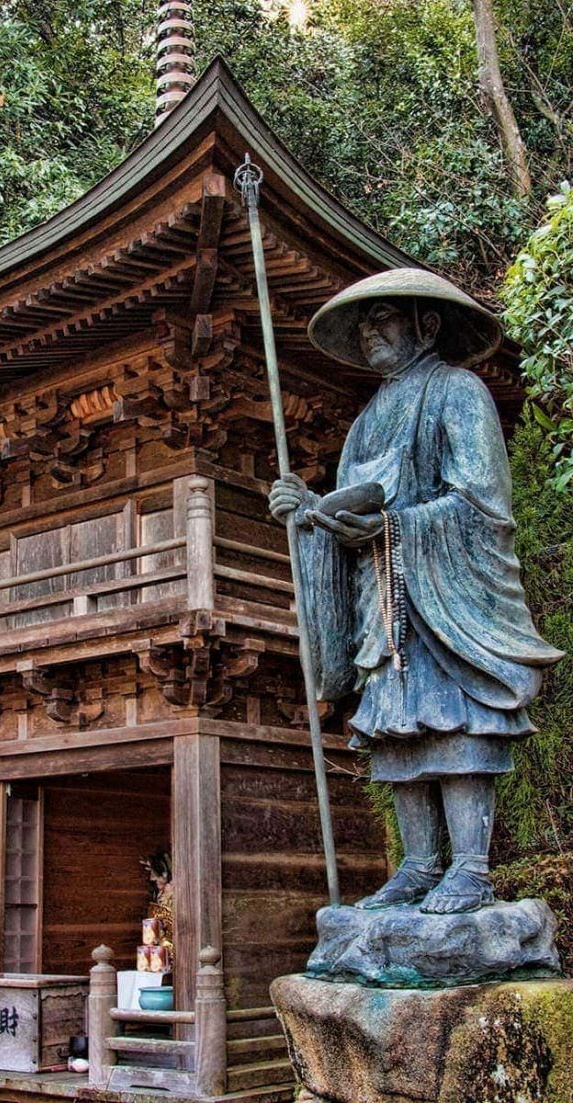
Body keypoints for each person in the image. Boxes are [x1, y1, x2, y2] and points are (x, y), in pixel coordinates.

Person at [269, 268, 563, 914]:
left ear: (425, 325)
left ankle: (468, 864)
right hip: (383, 597)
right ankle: (420, 860)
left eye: (385, 318)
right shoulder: (364, 424)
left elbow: (481, 502)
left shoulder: (459, 393)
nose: (371, 331)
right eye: (365, 324)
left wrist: (395, 526)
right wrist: (311, 513)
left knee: (453, 716)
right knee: (397, 724)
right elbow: (349, 515)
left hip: (441, 590)